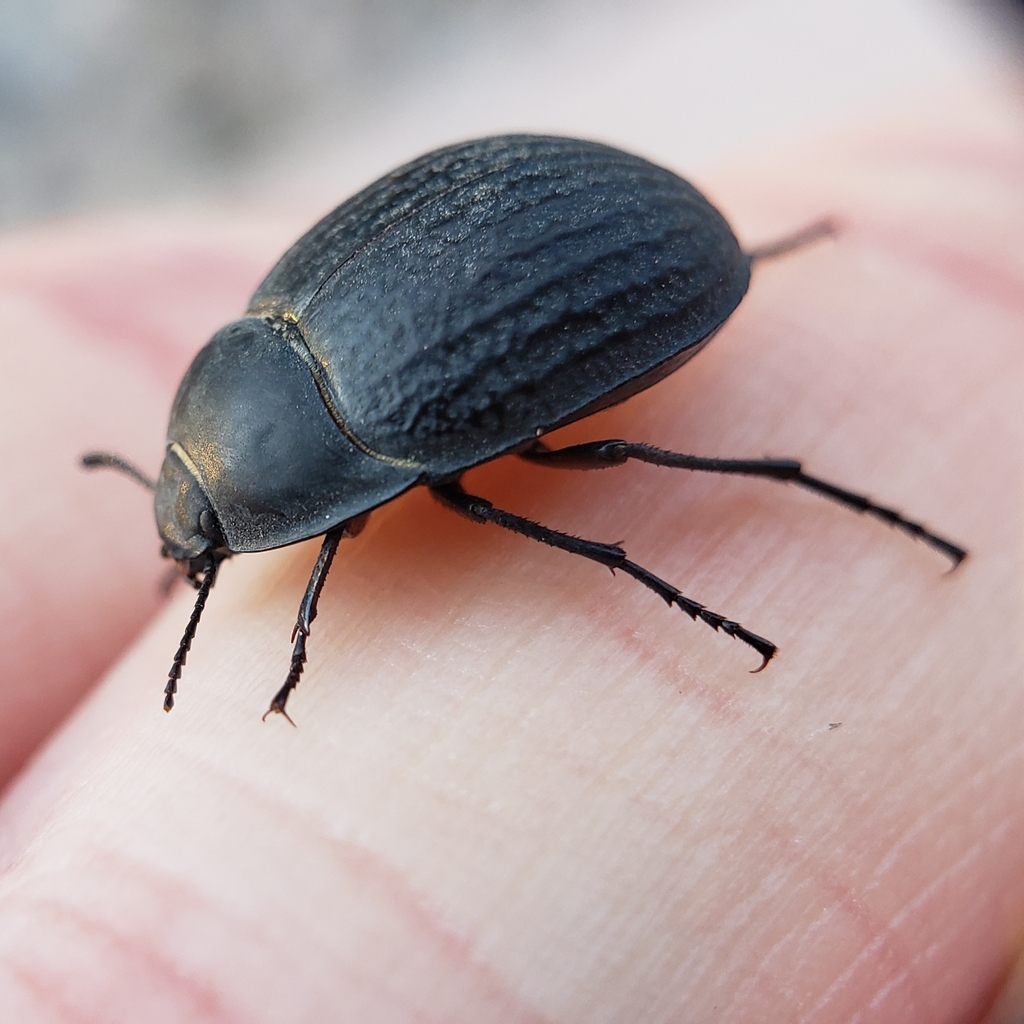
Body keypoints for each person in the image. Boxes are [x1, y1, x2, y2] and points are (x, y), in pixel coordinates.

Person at [0, 86, 1020, 1022]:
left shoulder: (368, 420)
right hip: (570, 206)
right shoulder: (285, 313)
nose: (204, 558)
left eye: (211, 549)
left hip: (633, 250)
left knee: (566, 470)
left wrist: (302, 634)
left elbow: (340, 527)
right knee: (517, 475)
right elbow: (332, 514)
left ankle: (794, 480)